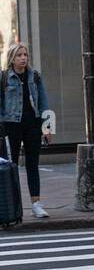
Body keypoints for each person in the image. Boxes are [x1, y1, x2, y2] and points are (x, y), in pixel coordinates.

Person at [1, 42, 51, 219]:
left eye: (25, 55)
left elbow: (44, 102)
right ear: (12, 59)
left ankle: (36, 204)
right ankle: (13, 205)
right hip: (11, 126)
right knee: (10, 165)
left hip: (33, 126)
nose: (23, 58)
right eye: (19, 55)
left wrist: (47, 127)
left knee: (32, 165)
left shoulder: (35, 76)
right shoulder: (4, 77)